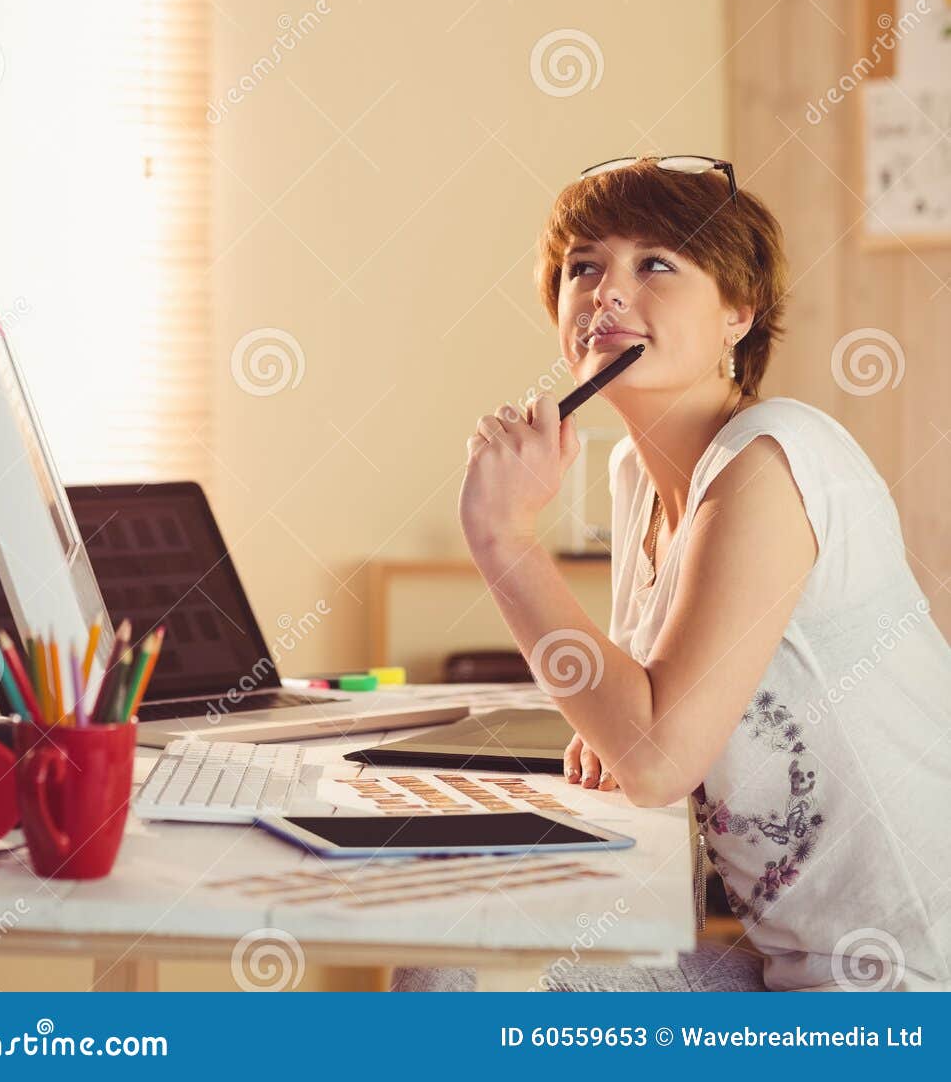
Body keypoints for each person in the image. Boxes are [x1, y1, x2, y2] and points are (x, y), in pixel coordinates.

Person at [392, 156, 951, 993]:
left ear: (738, 312)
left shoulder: (772, 459)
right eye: (583, 267)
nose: (605, 294)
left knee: (483, 984)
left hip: (905, 993)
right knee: (455, 937)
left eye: (655, 263)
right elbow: (650, 725)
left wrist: (503, 536)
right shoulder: (635, 478)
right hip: (792, 971)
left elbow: (655, 758)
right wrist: (618, 724)